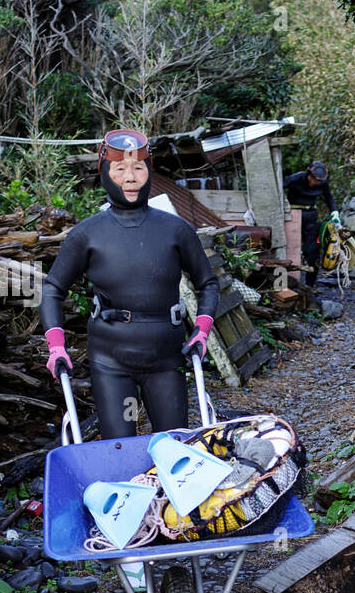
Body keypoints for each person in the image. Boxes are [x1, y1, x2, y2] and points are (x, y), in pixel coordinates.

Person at [40, 128, 230, 439]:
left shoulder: (175, 230)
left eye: (139, 168)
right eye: (120, 169)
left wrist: (202, 331)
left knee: (173, 447)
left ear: (148, 171)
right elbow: (53, 289)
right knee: (121, 445)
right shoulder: (87, 235)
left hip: (166, 361)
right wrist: (56, 346)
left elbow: (207, 283)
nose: (131, 178)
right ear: (105, 172)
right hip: (112, 364)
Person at [283, 160, 339, 287]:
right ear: (309, 175)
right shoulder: (296, 178)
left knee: (313, 250)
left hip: (311, 215)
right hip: (293, 214)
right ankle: (288, 280)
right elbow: (278, 188)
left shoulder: (323, 183)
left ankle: (310, 284)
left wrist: (334, 212)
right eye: (314, 180)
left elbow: (329, 197)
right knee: (289, 246)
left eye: (319, 181)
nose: (316, 183)